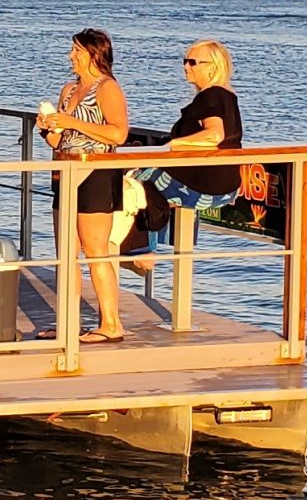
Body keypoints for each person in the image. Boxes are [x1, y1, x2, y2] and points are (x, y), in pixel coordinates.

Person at [36, 28, 130, 343]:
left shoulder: (107, 88)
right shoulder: (68, 89)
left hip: (97, 172)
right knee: (66, 251)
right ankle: (67, 321)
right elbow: (58, 140)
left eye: (76, 50)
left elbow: (118, 133)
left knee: (95, 250)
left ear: (93, 54)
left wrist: (71, 122)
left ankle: (111, 323)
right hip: (66, 171)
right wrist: (47, 127)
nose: (70, 56)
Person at [126, 40, 244, 267]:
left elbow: (214, 135)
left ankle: (140, 251)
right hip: (226, 183)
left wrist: (172, 145)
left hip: (205, 185)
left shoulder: (210, 96)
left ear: (212, 67)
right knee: (147, 177)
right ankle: (147, 245)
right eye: (184, 61)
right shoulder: (228, 97)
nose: (186, 67)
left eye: (192, 62)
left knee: (133, 180)